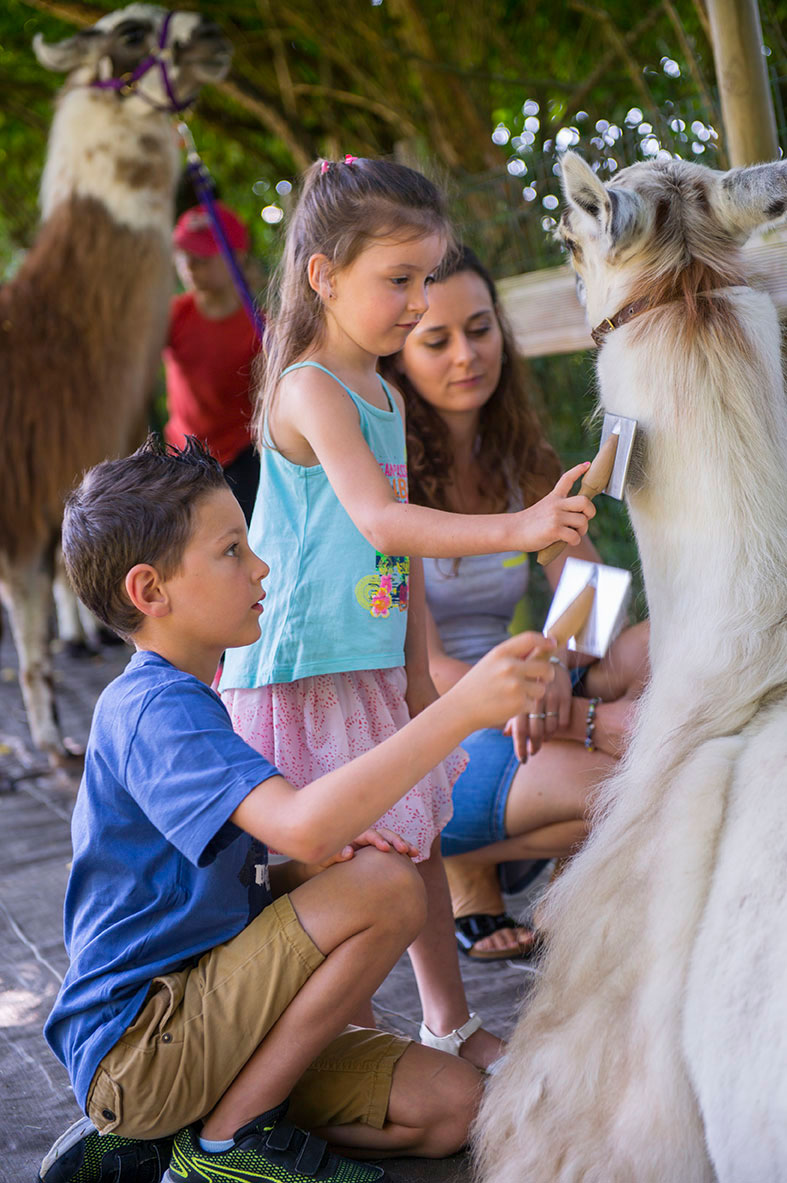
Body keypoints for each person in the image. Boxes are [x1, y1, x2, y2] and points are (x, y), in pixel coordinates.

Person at [38, 435, 558, 1183]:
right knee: (384, 887)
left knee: (451, 1107)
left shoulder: (187, 699)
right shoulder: (152, 709)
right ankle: (224, 1148)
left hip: (211, 1028)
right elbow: (303, 820)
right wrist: (462, 709)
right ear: (150, 591)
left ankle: (170, 1144)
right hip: (142, 1047)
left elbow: (194, 895)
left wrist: (303, 872)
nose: (261, 567)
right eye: (231, 551)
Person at [218, 155, 596, 1071]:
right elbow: (381, 518)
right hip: (303, 670)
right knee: (335, 868)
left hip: (370, 664)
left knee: (418, 843)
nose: (419, 303)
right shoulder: (309, 387)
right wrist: (525, 521)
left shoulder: (386, 392)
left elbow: (399, 558)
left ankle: (446, 1022)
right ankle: (318, 1045)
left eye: (425, 278)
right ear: (324, 275)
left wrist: (420, 670)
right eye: (399, 280)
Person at [381, 246, 650, 961]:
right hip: (439, 719)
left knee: (656, 644)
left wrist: (557, 669)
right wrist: (586, 718)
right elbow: (429, 667)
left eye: (480, 328)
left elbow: (593, 605)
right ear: (398, 355)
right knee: (629, 784)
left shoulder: (517, 453)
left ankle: (545, 871)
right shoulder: (385, 476)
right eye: (435, 340)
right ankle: (460, 859)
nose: (466, 355)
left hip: (522, 692)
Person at [163, 202, 261, 524]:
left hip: (242, 455)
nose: (189, 265)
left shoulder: (259, 326)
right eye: (183, 255)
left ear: (237, 258)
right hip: (184, 454)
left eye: (202, 256)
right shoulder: (174, 316)